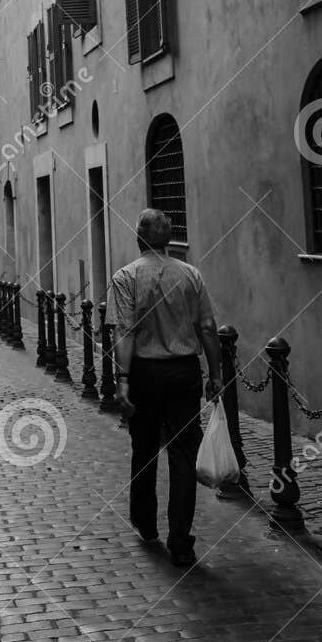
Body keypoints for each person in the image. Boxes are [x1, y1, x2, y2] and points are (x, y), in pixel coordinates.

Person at [108, 208, 222, 569]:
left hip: (145, 374)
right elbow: (207, 327)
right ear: (169, 240)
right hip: (183, 373)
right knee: (184, 455)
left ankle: (145, 523)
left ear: (139, 239)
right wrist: (215, 374)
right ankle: (181, 542)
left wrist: (123, 380)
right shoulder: (191, 275)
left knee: (143, 448)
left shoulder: (126, 277)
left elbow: (124, 330)